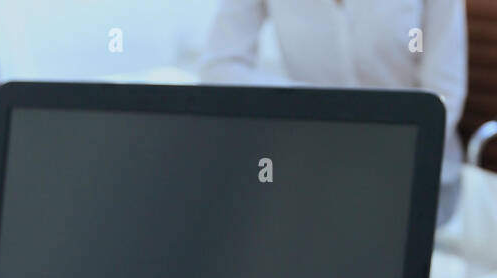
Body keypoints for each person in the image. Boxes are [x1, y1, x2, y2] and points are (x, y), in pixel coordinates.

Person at [200, 0, 468, 224]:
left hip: (412, 174)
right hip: (311, 169)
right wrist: (314, 107)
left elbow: (443, 93)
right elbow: (220, 67)